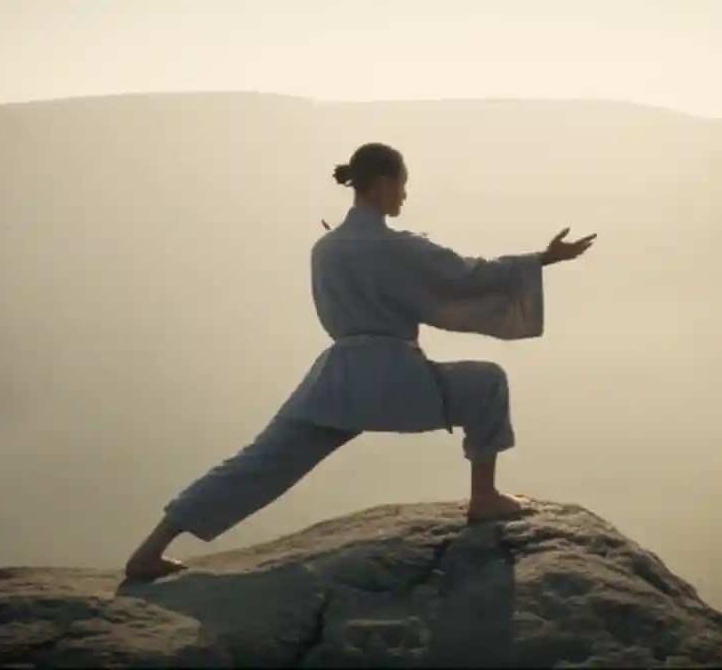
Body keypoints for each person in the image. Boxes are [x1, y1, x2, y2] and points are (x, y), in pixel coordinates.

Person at [123, 142, 596, 581]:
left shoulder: (325, 249)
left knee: (258, 463)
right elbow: (468, 275)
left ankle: (151, 548)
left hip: (337, 380)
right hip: (395, 375)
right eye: (402, 185)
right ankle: (484, 498)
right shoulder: (398, 246)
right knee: (487, 384)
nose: (405, 196)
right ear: (384, 183)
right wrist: (543, 259)